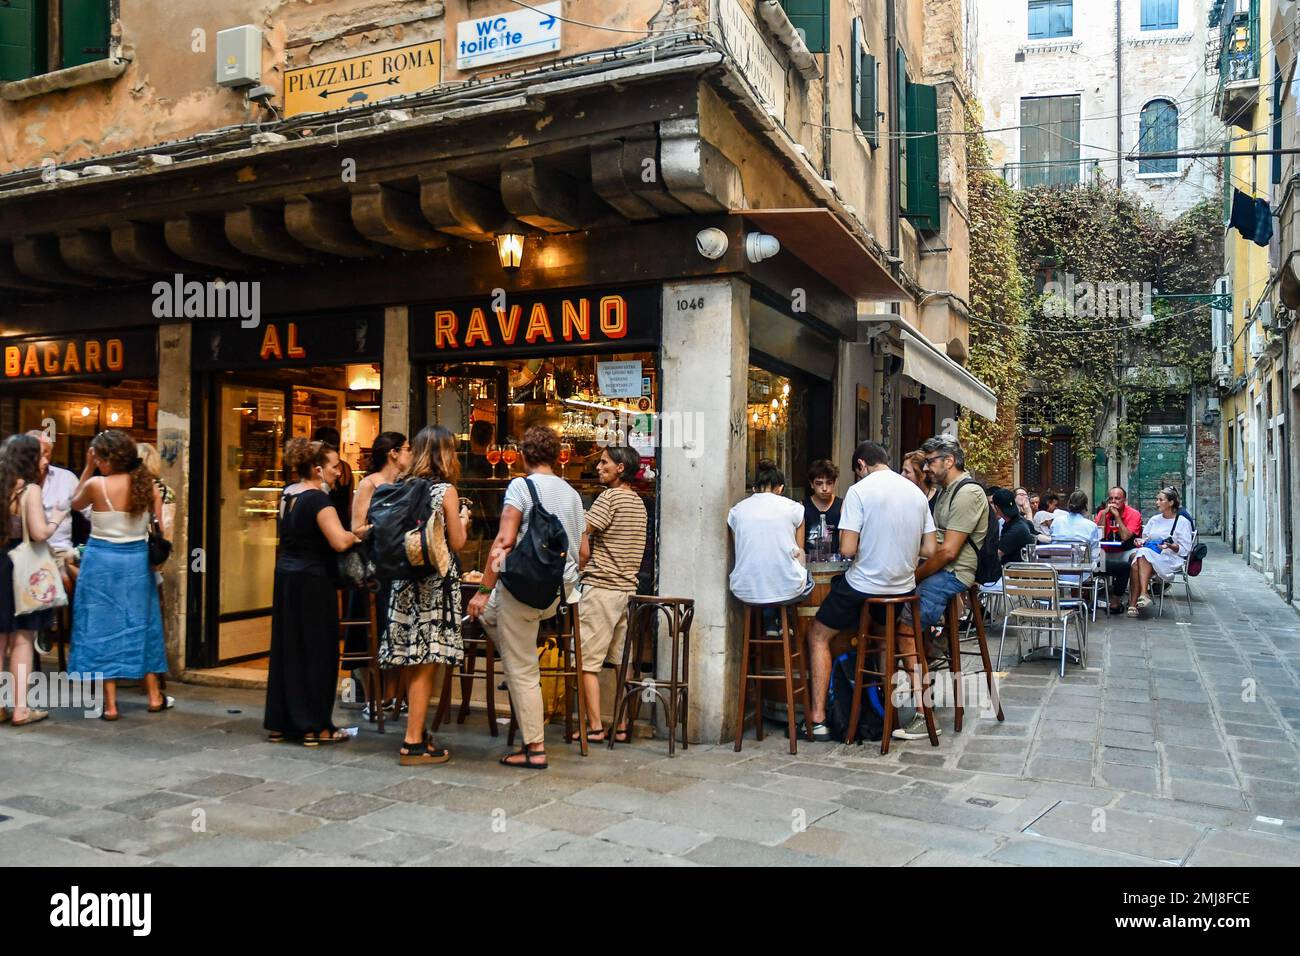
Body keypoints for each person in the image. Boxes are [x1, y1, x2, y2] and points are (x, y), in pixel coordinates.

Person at [466, 426, 585, 770]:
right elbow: (583, 551)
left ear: (522, 454)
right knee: (493, 619)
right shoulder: (572, 494)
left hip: (525, 587)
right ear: (554, 455)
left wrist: (483, 590)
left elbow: (502, 543)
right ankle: (518, 667)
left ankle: (534, 748)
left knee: (520, 666)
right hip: (559, 593)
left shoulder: (521, 486)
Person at [803, 441, 935, 742]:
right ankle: (909, 711)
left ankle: (819, 718)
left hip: (864, 584)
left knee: (818, 635)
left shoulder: (859, 492)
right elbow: (929, 548)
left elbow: (848, 548)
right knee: (892, 638)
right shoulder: (915, 492)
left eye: (857, 471)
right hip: (903, 588)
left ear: (862, 464)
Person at [263, 438, 371, 745]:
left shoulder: (287, 495)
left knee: (288, 649)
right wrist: (357, 535)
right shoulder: (318, 500)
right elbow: (338, 541)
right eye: (334, 466)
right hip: (313, 581)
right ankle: (316, 726)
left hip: (286, 577)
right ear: (317, 469)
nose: (339, 471)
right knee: (318, 651)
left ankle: (281, 723)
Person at [381, 426, 470, 766]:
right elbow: (457, 542)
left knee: (411, 655)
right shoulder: (445, 491)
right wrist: (462, 517)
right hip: (434, 583)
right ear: (445, 454)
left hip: (404, 581)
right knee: (426, 661)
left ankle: (415, 732)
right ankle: (413, 741)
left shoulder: (401, 486)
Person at [68, 430, 168, 721]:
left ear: (108, 459)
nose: (96, 462)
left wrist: (86, 468)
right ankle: (153, 696)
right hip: (137, 562)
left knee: (101, 627)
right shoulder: (146, 485)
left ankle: (110, 705)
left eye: (98, 457)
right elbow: (158, 525)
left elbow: (74, 503)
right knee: (144, 624)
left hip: (101, 562)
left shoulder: (97, 484)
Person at [576, 445, 647, 744]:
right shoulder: (639, 503)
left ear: (621, 468)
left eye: (604, 462)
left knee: (586, 662)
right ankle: (620, 725)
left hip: (602, 588)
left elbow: (584, 529)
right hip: (627, 592)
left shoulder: (610, 497)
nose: (598, 467)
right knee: (622, 662)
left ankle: (593, 727)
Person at [0, 434, 67, 726]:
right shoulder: (29, 491)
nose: (44, 461)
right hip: (22, 569)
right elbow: (39, 534)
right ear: (27, 459)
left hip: (0, 563)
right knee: (23, 638)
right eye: (39, 456)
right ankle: (21, 708)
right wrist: (57, 518)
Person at [349, 431, 412, 719]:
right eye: (407, 449)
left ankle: (395, 697)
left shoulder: (407, 485)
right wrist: (383, 527)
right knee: (374, 633)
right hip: (375, 567)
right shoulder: (369, 484)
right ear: (393, 453)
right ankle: (375, 697)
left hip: (399, 566)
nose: (410, 454)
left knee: (397, 631)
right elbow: (356, 528)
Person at [915, 436, 988, 650]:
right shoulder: (946, 491)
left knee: (905, 620)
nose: (926, 468)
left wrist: (916, 576)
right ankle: (925, 653)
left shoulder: (968, 492)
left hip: (954, 572)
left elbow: (948, 552)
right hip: (942, 568)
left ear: (949, 461)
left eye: (930, 462)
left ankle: (922, 660)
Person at [727, 460, 812, 606]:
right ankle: (783, 624)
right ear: (780, 488)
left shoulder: (736, 512)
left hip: (744, 590)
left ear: (754, 488)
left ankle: (770, 623)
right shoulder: (795, 508)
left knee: (768, 585)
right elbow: (799, 554)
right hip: (789, 589)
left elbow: (739, 549)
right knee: (806, 580)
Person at [1126, 486, 1193, 617]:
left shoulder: (1182, 522)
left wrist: (1170, 545)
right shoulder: (1155, 519)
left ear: (1171, 502)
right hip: (1151, 554)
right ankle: (1142, 595)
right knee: (1141, 555)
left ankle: (1135, 602)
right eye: (1157, 499)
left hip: (1170, 558)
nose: (1157, 503)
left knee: (1137, 561)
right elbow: (1146, 538)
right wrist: (1140, 541)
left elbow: (1185, 550)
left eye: (1160, 500)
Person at [1095, 486, 1142, 613]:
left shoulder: (1134, 514)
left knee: (1135, 560)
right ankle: (1089, 596)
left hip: (1126, 551)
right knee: (1091, 560)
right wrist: (1104, 515)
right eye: (1111, 498)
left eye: (1117, 498)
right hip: (1106, 552)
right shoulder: (1103, 513)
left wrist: (1117, 517)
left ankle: (1131, 603)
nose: (1113, 501)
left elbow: (1126, 536)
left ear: (1124, 500)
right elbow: (1098, 536)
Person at [313, 426, 355, 531]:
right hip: (342, 521)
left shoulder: (315, 469)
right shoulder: (346, 467)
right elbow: (350, 501)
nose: (338, 472)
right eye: (334, 467)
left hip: (327, 525)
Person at [802, 459, 843, 558]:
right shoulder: (802, 507)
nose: (824, 488)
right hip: (809, 566)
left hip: (836, 566)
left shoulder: (842, 506)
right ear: (811, 484)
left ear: (834, 483)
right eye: (819, 483)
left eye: (829, 483)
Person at [991, 488, 1035, 566]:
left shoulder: (1016, 529)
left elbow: (995, 556)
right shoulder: (1020, 521)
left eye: (991, 503)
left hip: (1015, 574)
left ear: (997, 508)